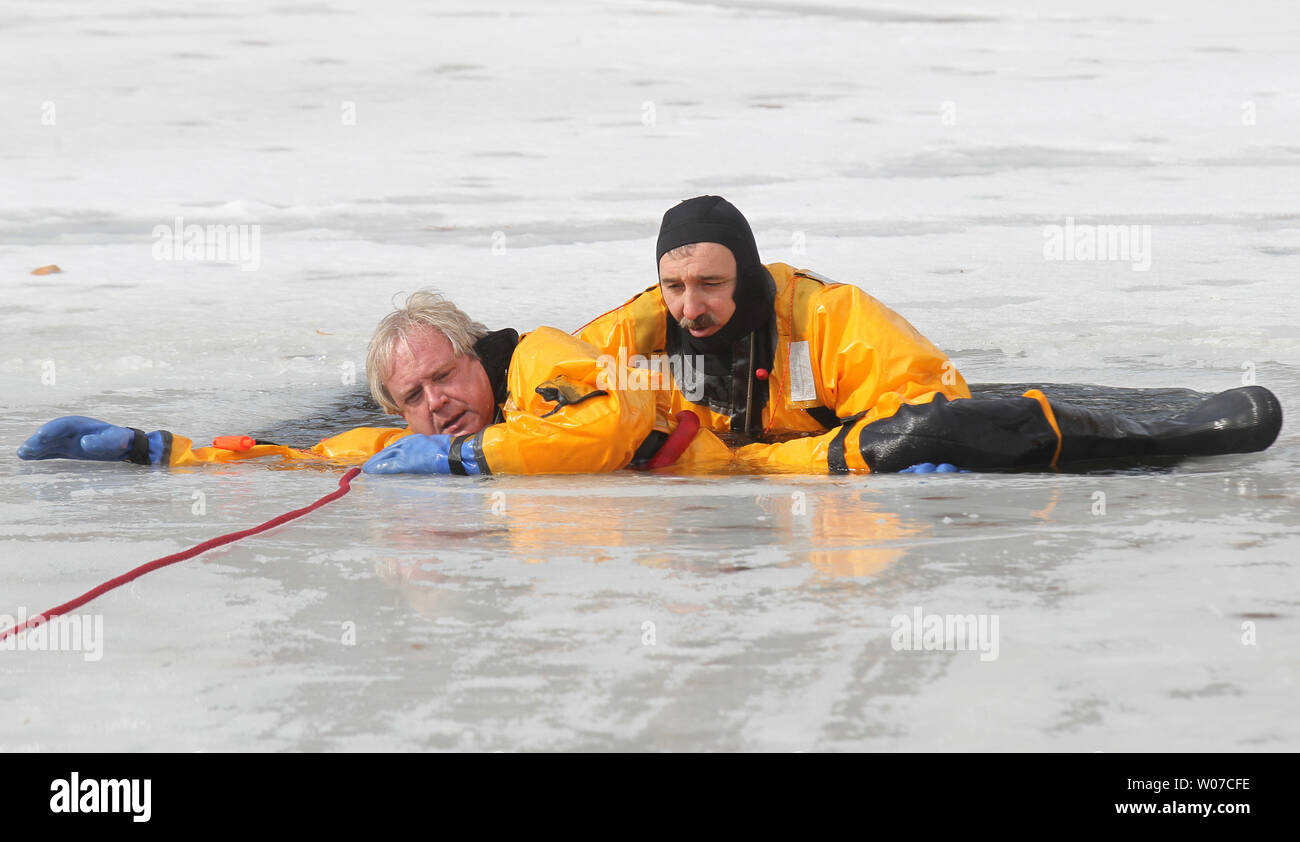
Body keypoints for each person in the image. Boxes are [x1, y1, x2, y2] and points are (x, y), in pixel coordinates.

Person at [576, 195, 1283, 472]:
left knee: (952, 428)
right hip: (784, 458)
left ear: (749, 277)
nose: (690, 306)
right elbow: (549, 378)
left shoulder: (823, 315)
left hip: (854, 432)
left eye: (711, 285)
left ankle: (1172, 431)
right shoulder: (637, 333)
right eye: (675, 287)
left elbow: (925, 398)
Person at [17, 291, 728, 475]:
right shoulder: (405, 442)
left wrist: (462, 460)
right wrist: (156, 451)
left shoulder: (542, 358)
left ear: (475, 355)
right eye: (412, 397)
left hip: (728, 477)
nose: (435, 403)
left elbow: (606, 428)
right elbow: (293, 463)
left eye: (443, 378)